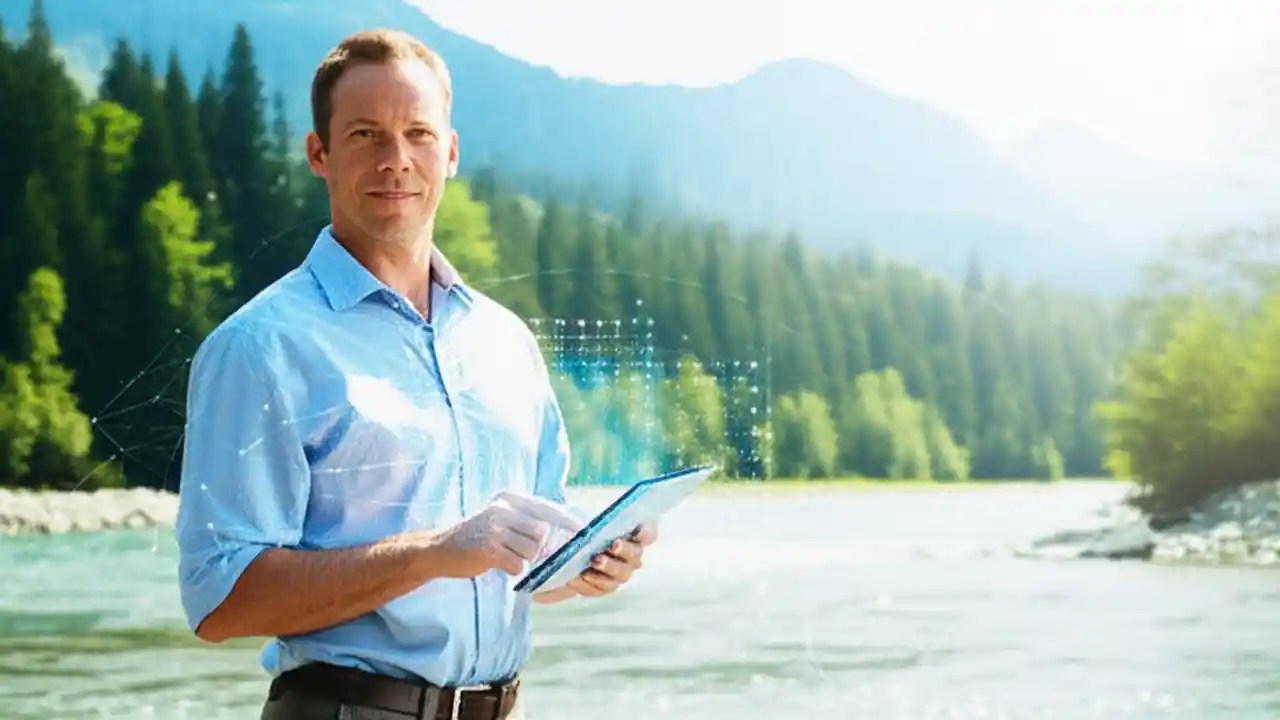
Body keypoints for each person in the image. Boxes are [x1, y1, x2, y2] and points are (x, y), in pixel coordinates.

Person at [174, 28, 657, 720]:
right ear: (319, 153)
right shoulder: (259, 347)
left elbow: (527, 564)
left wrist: (589, 563)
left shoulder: (506, 342)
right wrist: (432, 552)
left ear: (450, 152)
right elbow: (218, 600)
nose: (395, 159)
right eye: (365, 134)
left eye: (418, 134)